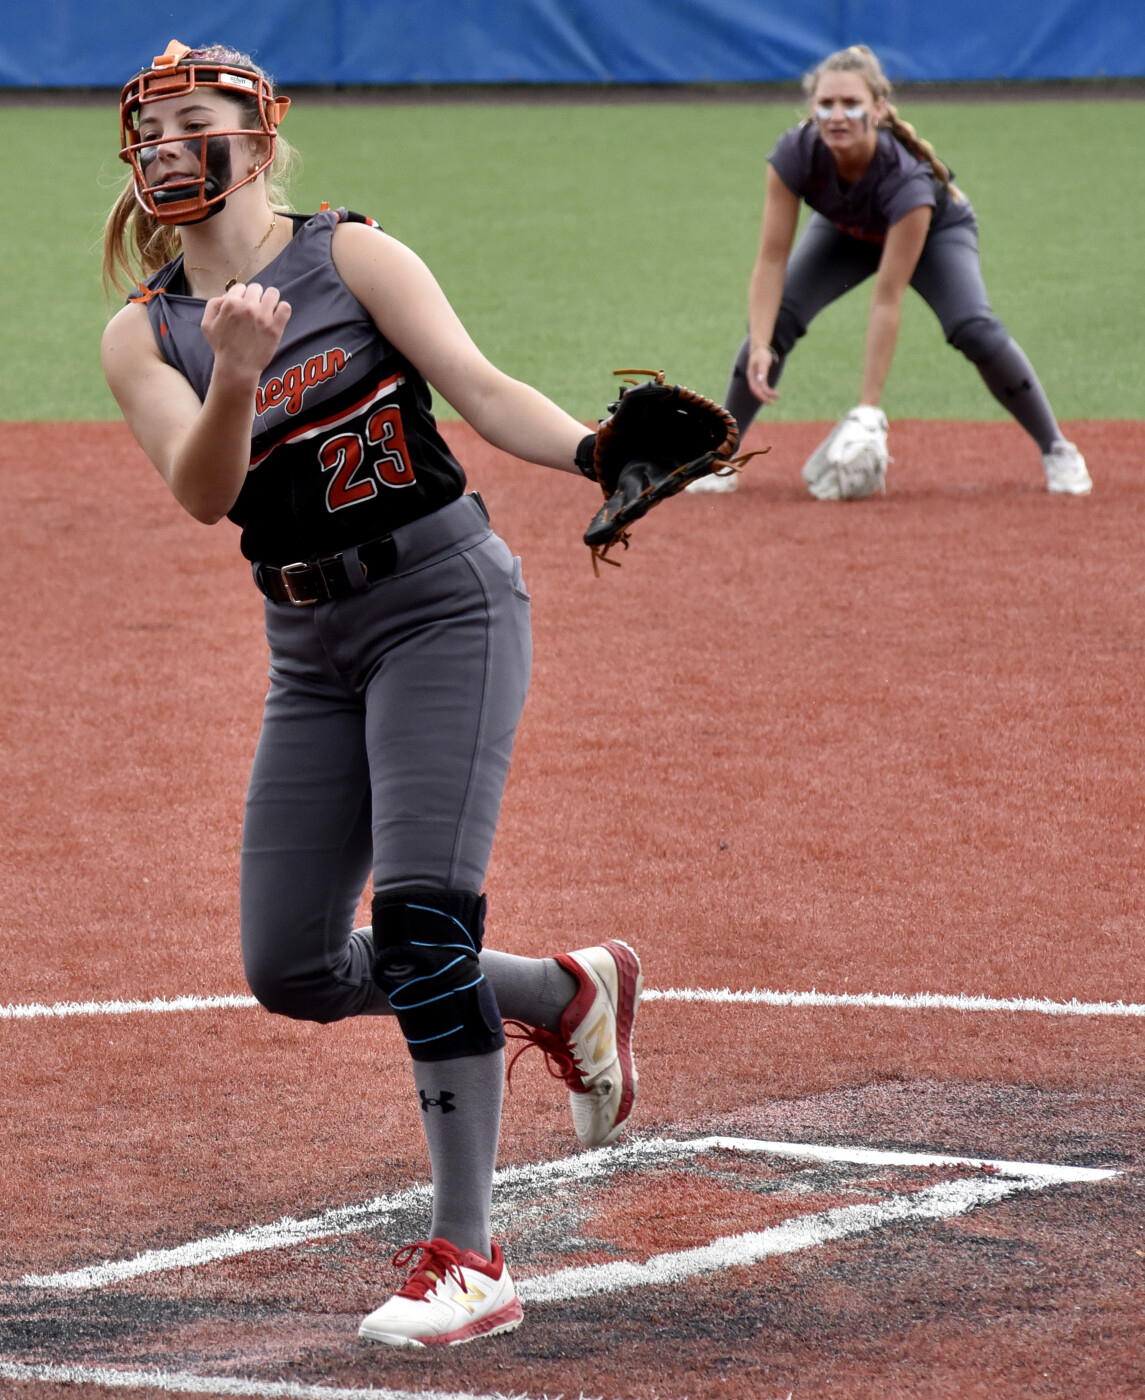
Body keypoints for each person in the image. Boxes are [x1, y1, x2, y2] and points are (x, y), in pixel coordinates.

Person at [100, 41, 643, 1349]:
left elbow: (484, 389)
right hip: (309, 648)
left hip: (444, 605)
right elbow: (207, 489)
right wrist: (234, 365)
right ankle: (560, 993)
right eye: (149, 125)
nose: (170, 142)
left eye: (197, 118)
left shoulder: (348, 256)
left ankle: (472, 1257)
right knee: (289, 963)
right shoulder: (145, 333)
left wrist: (595, 453)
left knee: (415, 922)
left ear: (265, 134)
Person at [688, 44, 1091, 497]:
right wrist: (760, 342)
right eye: (826, 103)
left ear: (878, 109)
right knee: (774, 322)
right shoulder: (795, 154)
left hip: (935, 233)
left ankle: (1057, 448)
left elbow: (887, 298)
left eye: (851, 104)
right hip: (846, 230)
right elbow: (771, 259)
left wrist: (868, 409)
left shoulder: (907, 180)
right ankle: (720, 455)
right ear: (812, 108)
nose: (837, 115)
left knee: (973, 328)